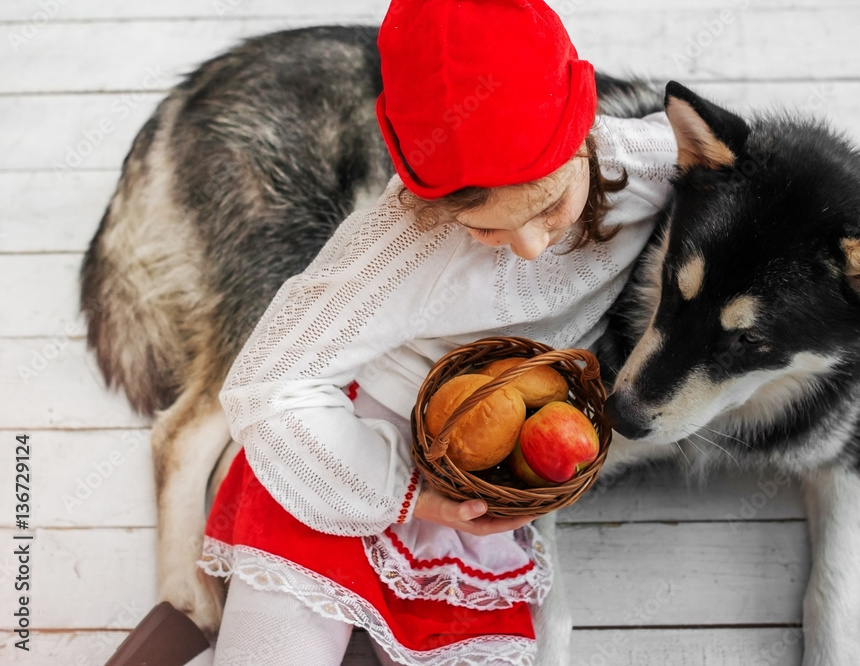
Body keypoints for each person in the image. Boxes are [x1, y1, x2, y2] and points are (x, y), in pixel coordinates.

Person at [196, 0, 677, 664]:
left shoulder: (659, 169)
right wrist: (406, 491)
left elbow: (769, 179)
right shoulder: (405, 240)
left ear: (583, 126)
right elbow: (269, 383)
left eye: (549, 204)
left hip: (495, 464)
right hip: (365, 439)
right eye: (485, 230)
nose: (530, 247)